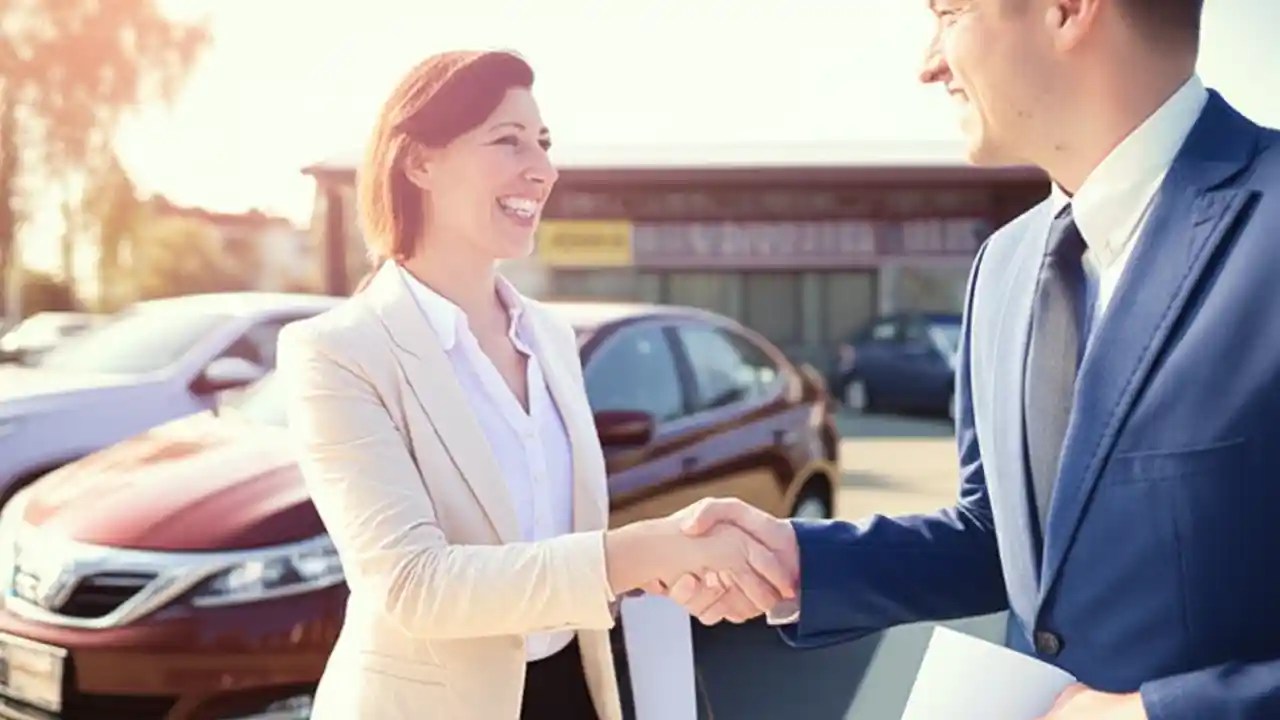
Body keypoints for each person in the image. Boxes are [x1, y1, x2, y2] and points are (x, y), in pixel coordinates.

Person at [664, 1, 1280, 718]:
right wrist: (796, 560)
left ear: (1067, 10)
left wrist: (1156, 713)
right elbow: (1006, 542)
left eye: (950, 13)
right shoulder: (1006, 265)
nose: (929, 64)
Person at [277, 50, 793, 720]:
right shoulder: (338, 353)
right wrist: (639, 552)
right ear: (420, 163)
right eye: (508, 141)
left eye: (544, 144)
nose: (542, 169)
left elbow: (557, 543)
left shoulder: (549, 335)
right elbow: (413, 585)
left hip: (571, 694)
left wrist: (661, 572)